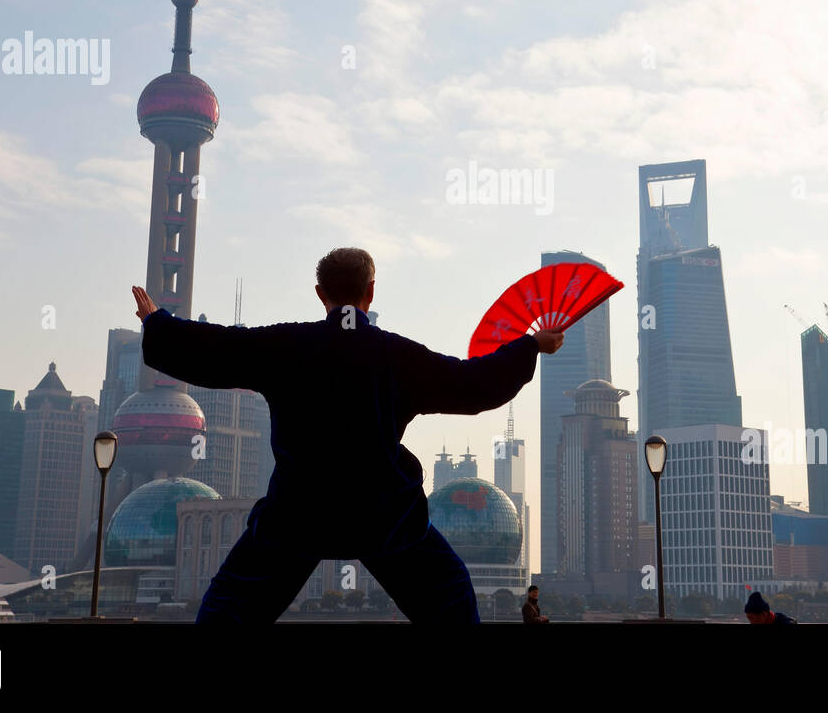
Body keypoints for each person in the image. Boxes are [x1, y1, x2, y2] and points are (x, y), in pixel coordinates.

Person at [130, 247, 564, 624]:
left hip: (300, 513)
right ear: (370, 292)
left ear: (321, 294)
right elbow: (472, 384)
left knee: (229, 605)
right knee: (450, 595)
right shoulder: (397, 355)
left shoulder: (287, 347)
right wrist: (530, 347)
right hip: (382, 515)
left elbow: (220, 349)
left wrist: (159, 326)